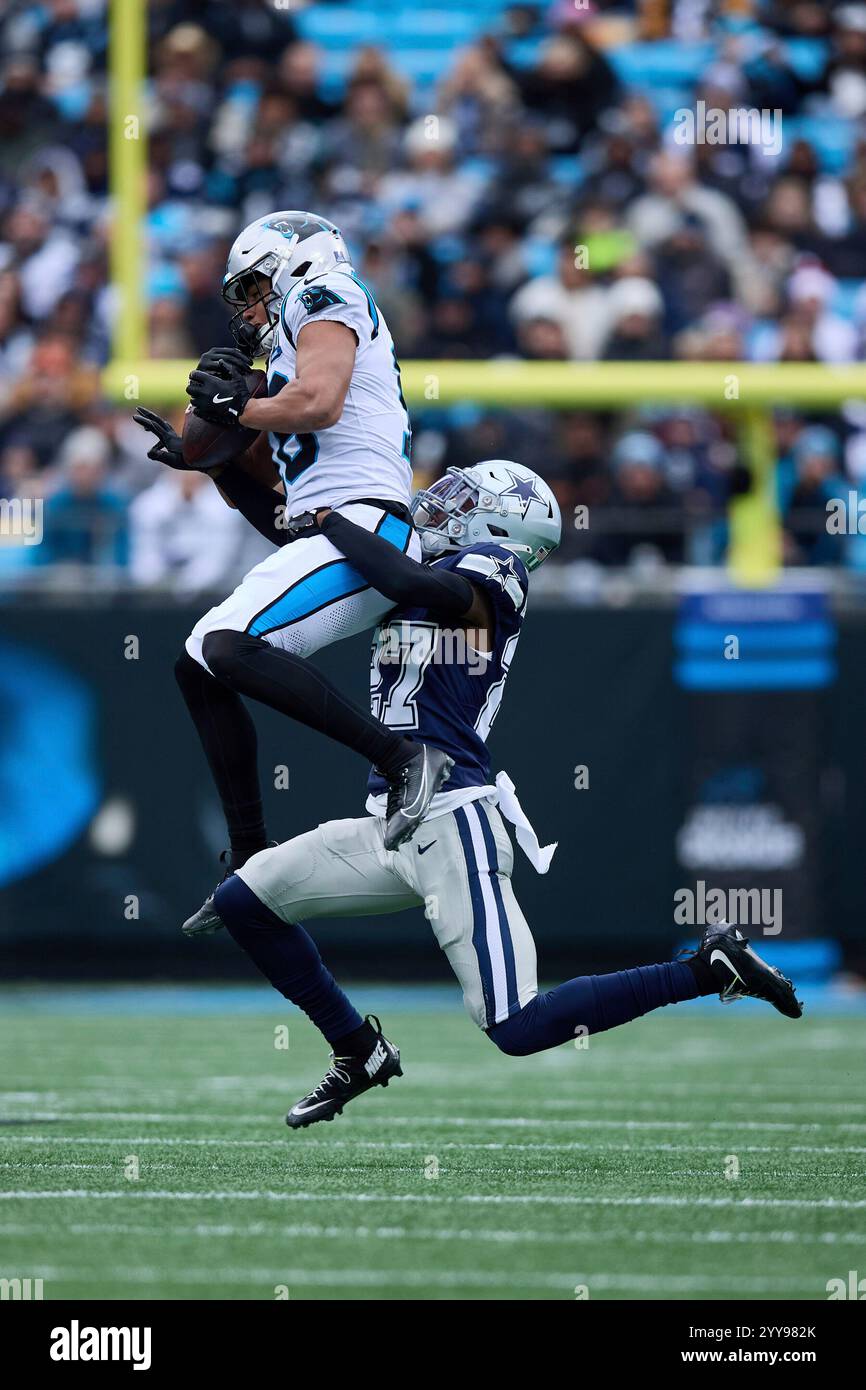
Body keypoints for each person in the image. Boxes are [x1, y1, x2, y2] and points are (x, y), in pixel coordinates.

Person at [185, 460, 802, 1129]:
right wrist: (224, 467)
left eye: (467, 497)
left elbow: (396, 574)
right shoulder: (425, 563)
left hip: (453, 816)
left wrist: (335, 515)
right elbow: (304, 545)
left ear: (500, 522)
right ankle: (358, 1049)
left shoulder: (496, 571)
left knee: (517, 1024)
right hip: (391, 819)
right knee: (245, 899)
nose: (445, 501)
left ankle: (708, 969)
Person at [133, 211, 453, 934]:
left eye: (252, 285)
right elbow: (279, 515)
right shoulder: (284, 355)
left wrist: (239, 405)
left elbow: (319, 403)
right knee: (200, 663)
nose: (247, 306)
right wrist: (209, 457)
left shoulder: (326, 291)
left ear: (294, 261)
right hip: (330, 528)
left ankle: (404, 760)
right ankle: (252, 860)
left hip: (368, 525)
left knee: (228, 645)